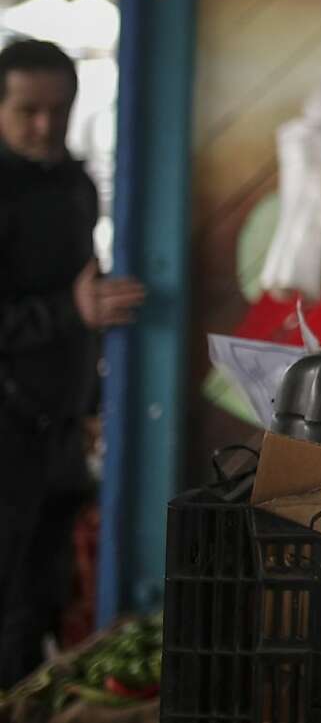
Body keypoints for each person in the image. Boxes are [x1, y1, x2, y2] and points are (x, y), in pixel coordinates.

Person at [0, 38, 144, 687]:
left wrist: (91, 404)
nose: (45, 125)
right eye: (28, 109)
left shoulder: (78, 182)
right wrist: (70, 310)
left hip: (60, 429)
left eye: (59, 110)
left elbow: (82, 287)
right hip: (5, 425)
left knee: (47, 593)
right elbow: (68, 303)